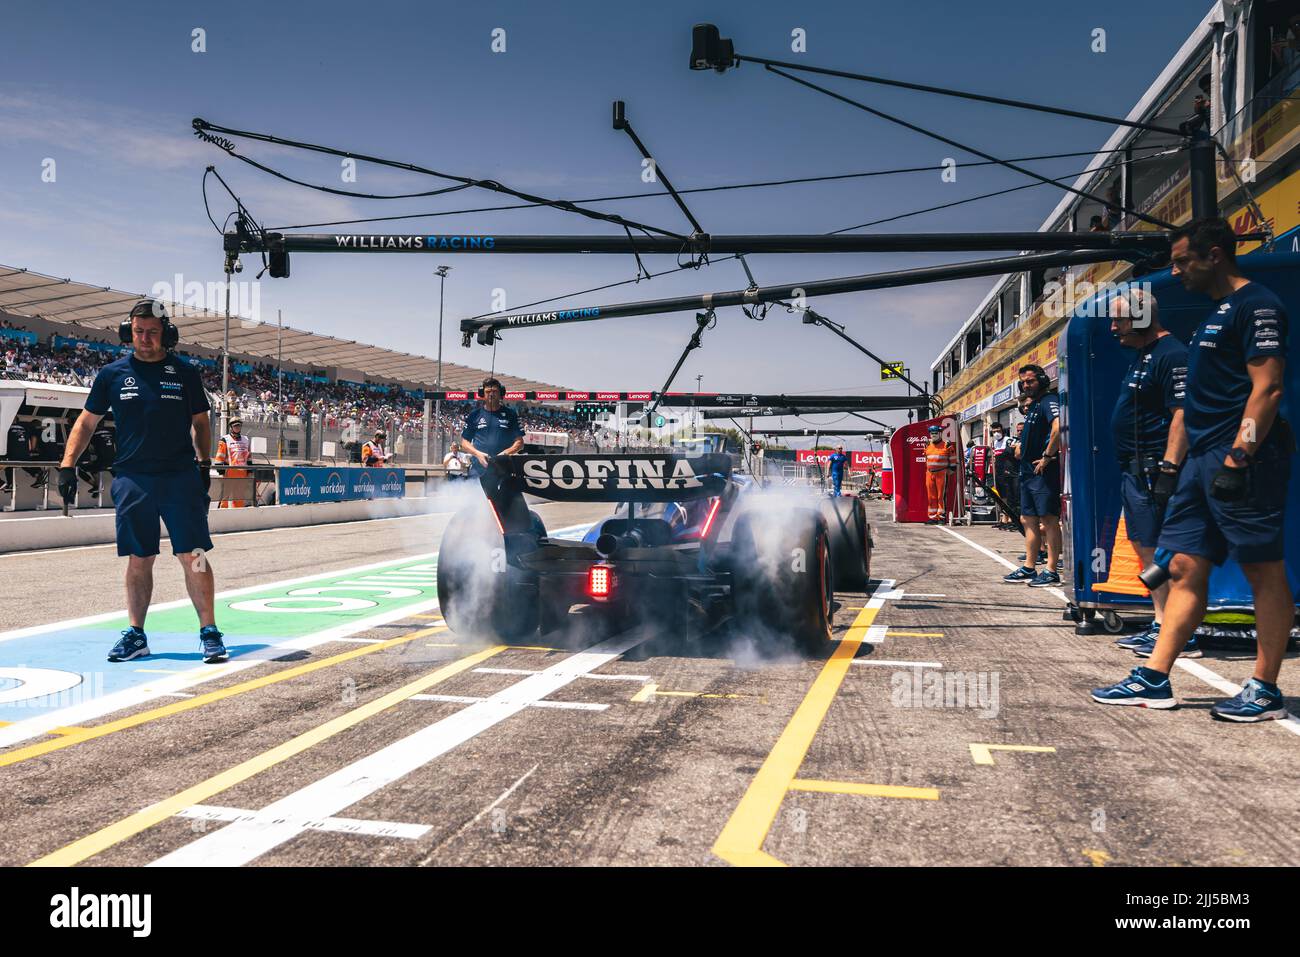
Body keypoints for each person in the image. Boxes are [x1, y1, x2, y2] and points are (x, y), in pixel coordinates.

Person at [1093, 217, 1292, 720]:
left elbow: (1266, 389)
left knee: (1261, 569)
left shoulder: (1258, 305)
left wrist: (1238, 457)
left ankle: (1264, 687)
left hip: (1241, 459)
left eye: (1183, 261)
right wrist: (1182, 466)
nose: (1177, 271)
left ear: (1215, 255)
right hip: (1201, 463)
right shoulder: (1215, 314)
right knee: (1181, 565)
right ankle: (1154, 678)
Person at [57, 300, 226, 664]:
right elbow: (87, 423)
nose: (145, 338)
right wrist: (67, 464)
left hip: (179, 478)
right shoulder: (112, 374)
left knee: (192, 555)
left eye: (152, 331)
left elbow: (201, 423)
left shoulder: (184, 373)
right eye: (138, 331)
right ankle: (136, 634)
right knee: (139, 558)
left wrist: (202, 465)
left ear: (165, 333)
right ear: (127, 332)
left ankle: (209, 631)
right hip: (133, 479)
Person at [1106, 289, 1191, 657]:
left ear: (1141, 318)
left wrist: (1169, 469)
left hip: (1156, 469)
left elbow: (1183, 414)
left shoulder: (1172, 356)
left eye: (1119, 320)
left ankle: (1179, 633)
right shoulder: (1144, 355)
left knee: (1161, 550)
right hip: (1137, 471)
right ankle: (1161, 624)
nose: (1113, 328)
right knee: (1147, 549)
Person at [1004, 365, 1062, 586]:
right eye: (1023, 382)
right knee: (1026, 519)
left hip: (1042, 470)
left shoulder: (1048, 401)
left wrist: (1048, 456)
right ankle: (1029, 567)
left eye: (1030, 381)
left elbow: (1058, 427)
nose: (1026, 385)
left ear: (1042, 380)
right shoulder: (1034, 405)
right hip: (1027, 470)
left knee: (1048, 519)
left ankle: (1051, 569)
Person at [460, 377, 524, 477]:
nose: (491, 394)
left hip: (504, 469)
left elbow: (520, 443)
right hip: (478, 470)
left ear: (500, 393)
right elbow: (464, 443)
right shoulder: (474, 415)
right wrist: (478, 454)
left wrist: (504, 454)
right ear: (482, 394)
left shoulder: (511, 414)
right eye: (488, 391)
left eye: (494, 391)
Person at [214, 416, 251, 508]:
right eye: (235, 426)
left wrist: (250, 471)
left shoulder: (246, 439)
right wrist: (221, 471)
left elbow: (249, 456)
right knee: (225, 497)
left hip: (242, 472)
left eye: (239, 426)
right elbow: (220, 456)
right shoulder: (225, 439)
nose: (237, 428)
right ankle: (222, 514)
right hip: (229, 472)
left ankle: (237, 515)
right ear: (231, 427)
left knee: (239, 497)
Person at [924, 424, 958, 524]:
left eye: (935, 433)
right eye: (931, 433)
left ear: (940, 434)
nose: (933, 435)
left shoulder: (946, 445)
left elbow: (952, 458)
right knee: (931, 496)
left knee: (941, 496)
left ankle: (941, 517)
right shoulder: (928, 445)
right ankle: (932, 517)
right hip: (929, 474)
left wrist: (952, 469)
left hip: (941, 473)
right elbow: (926, 458)